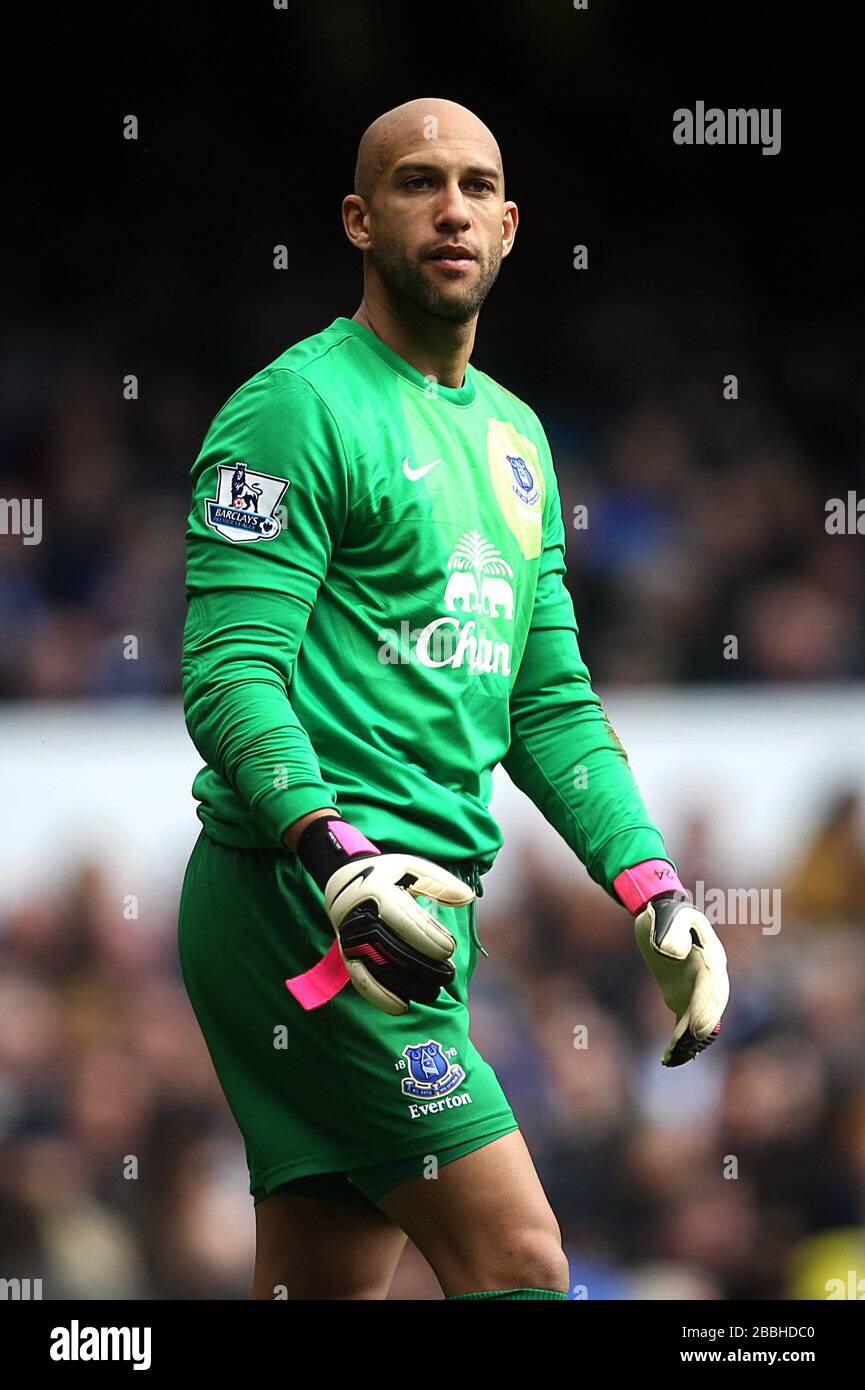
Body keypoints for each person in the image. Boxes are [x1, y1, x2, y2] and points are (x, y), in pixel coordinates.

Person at [178, 97, 729, 1301]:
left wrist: (651, 884)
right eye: (420, 183)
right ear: (359, 219)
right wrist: (338, 857)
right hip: (308, 900)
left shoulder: (517, 439)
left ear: (513, 225)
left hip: (431, 915)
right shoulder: (296, 407)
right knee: (521, 1261)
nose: (453, 209)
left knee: (321, 1289)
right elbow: (228, 673)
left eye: (478, 187)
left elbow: (548, 702)